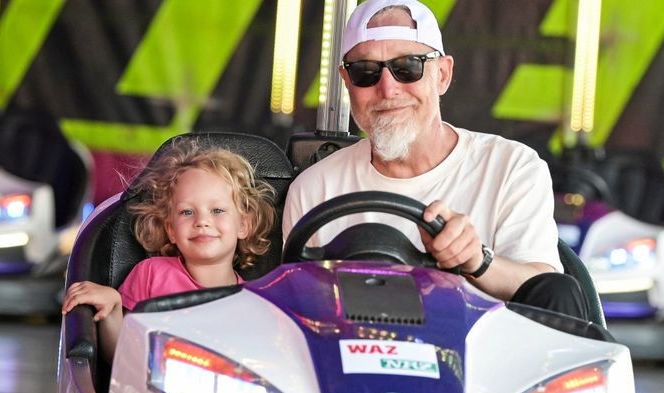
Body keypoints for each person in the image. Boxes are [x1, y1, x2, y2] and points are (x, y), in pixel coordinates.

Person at [281, 0, 588, 320]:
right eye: (366, 72)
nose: (388, 88)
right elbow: (298, 309)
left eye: (407, 67)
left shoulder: (511, 167)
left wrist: (477, 261)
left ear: (442, 75)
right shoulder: (314, 188)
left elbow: (546, 290)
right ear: (347, 83)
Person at [62, 139, 275, 359]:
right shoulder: (151, 274)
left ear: (243, 225)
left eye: (217, 210)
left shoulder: (254, 303)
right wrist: (114, 307)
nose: (202, 221)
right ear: (171, 229)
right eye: (187, 212)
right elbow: (123, 359)